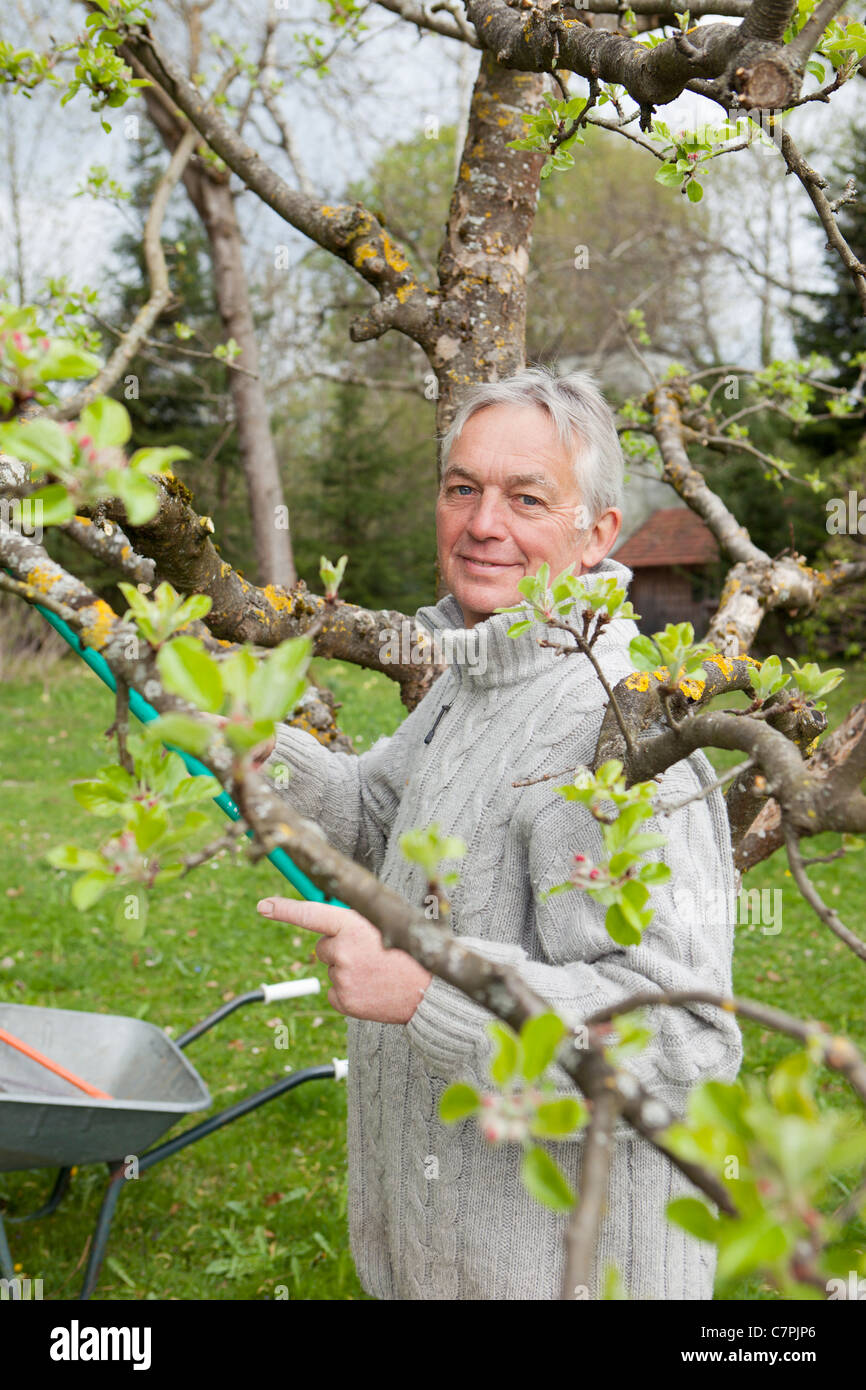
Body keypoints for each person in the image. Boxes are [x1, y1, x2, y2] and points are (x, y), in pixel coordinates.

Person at [254, 365, 742, 1300]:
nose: (484, 524)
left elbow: (681, 1041)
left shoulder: (619, 732)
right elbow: (375, 822)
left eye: (527, 497)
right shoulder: (477, 674)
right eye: (463, 488)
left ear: (599, 533)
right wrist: (246, 748)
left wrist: (426, 991)